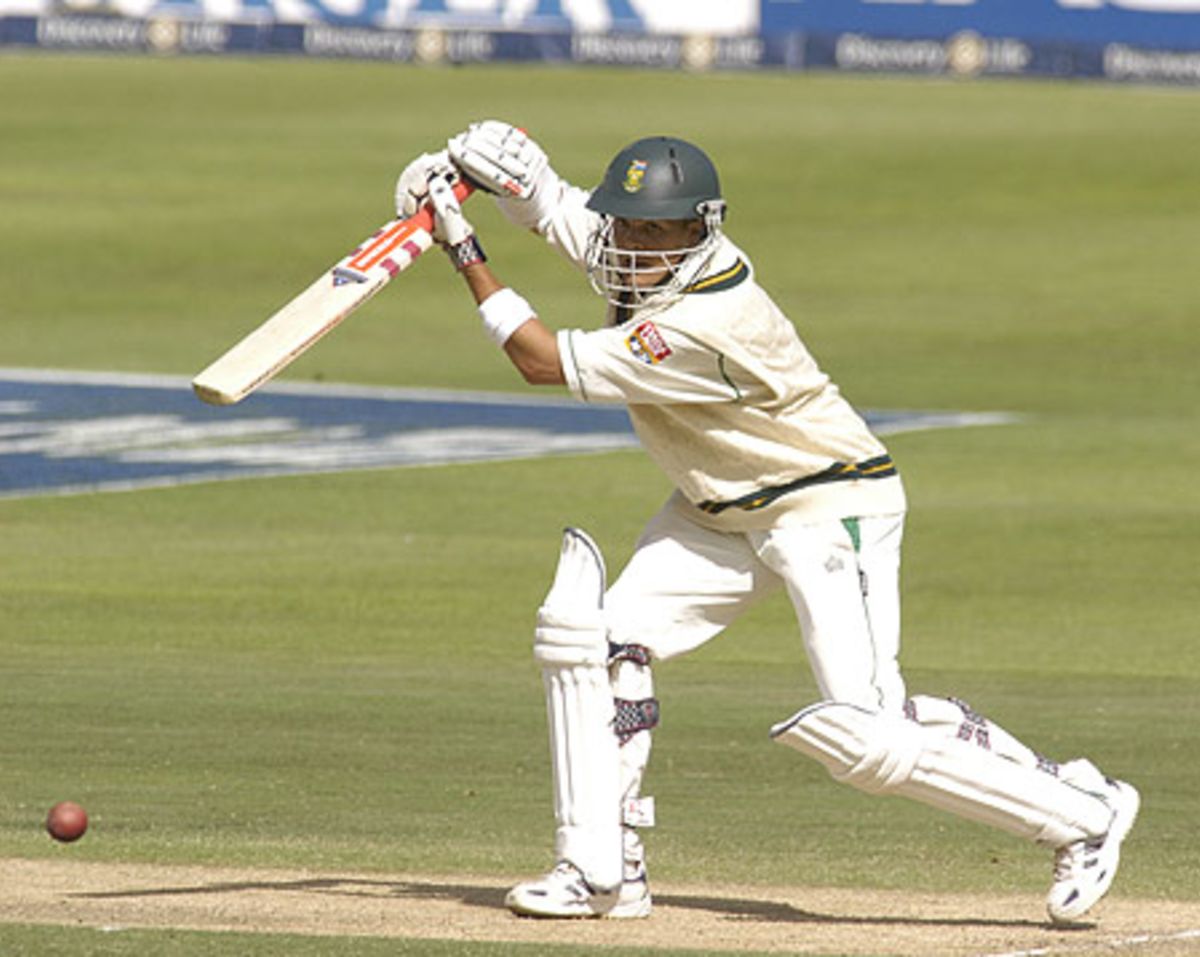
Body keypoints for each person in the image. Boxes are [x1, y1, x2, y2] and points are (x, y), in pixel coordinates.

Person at [394, 121, 1139, 924]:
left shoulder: (706, 323)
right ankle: (603, 864)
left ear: (699, 229)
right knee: (594, 642)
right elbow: (558, 210)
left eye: (656, 228)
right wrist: (485, 174)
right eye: (628, 223)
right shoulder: (639, 254)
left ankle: (1086, 815)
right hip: (717, 512)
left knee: (865, 737)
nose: (634, 243)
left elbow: (540, 360)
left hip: (827, 506)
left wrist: (460, 246)